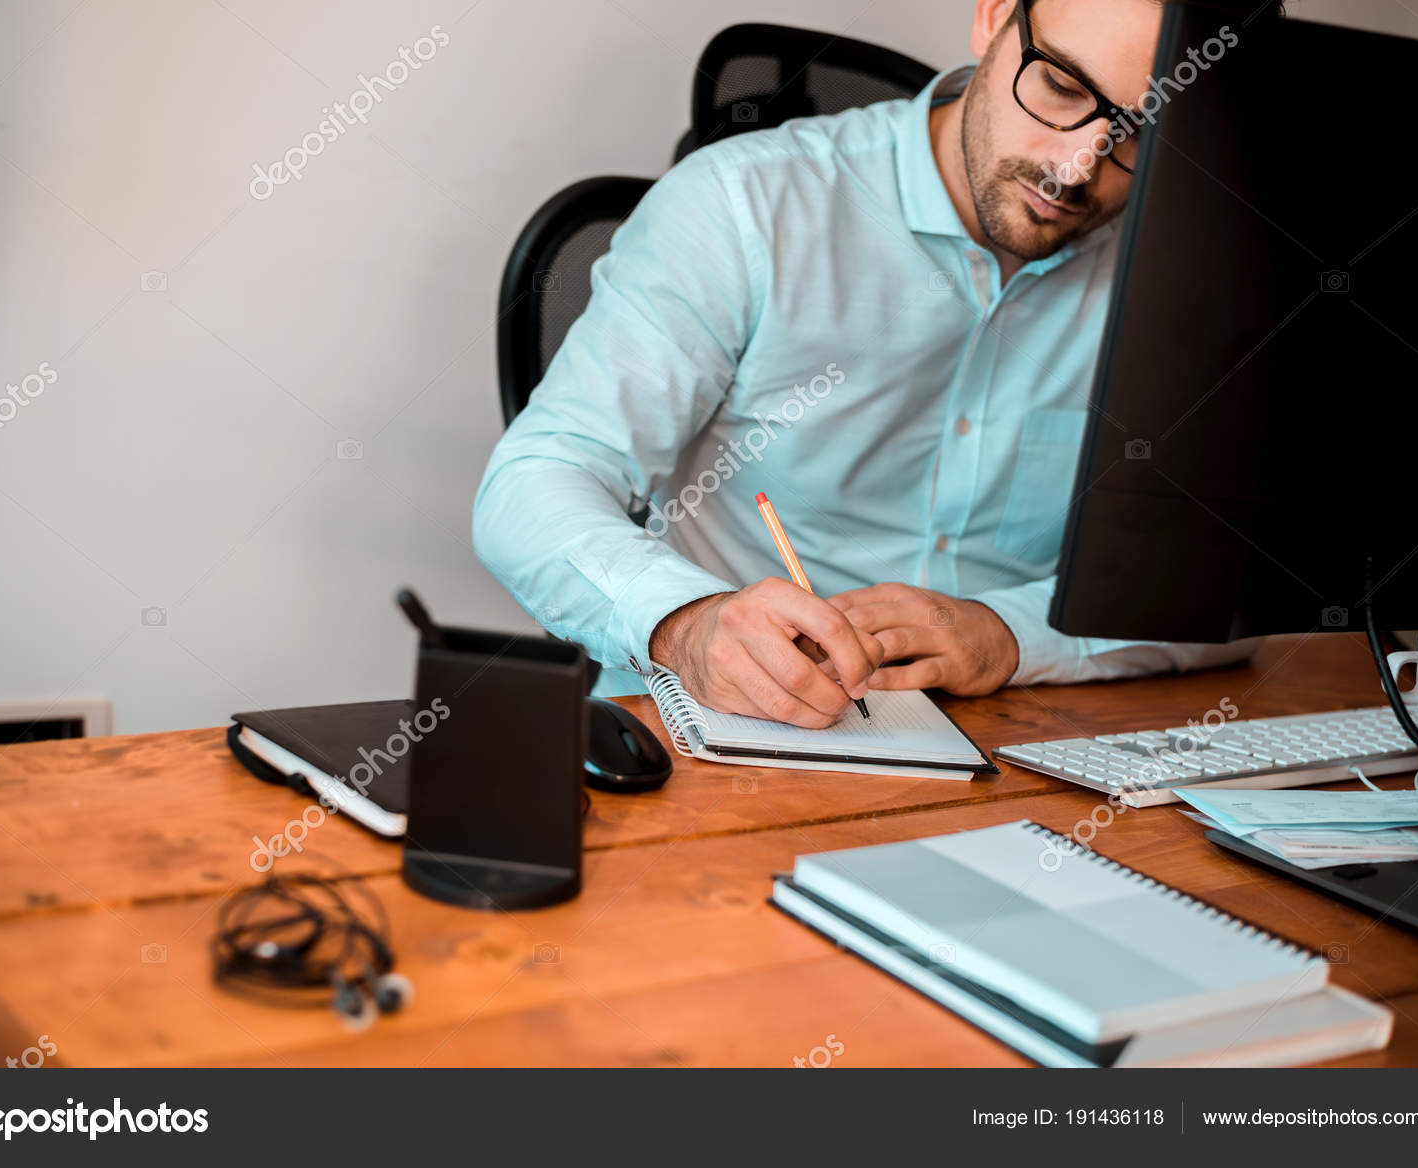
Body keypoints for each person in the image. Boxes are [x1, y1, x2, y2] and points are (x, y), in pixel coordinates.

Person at [475, 0, 1264, 729]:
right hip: (735, 734)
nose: (1078, 165)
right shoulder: (744, 203)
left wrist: (1014, 637)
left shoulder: (1201, 274)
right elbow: (534, 481)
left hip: (1022, 735)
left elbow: (1230, 598)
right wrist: (686, 623)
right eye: (1060, 86)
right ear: (993, 18)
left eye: (1142, 129)